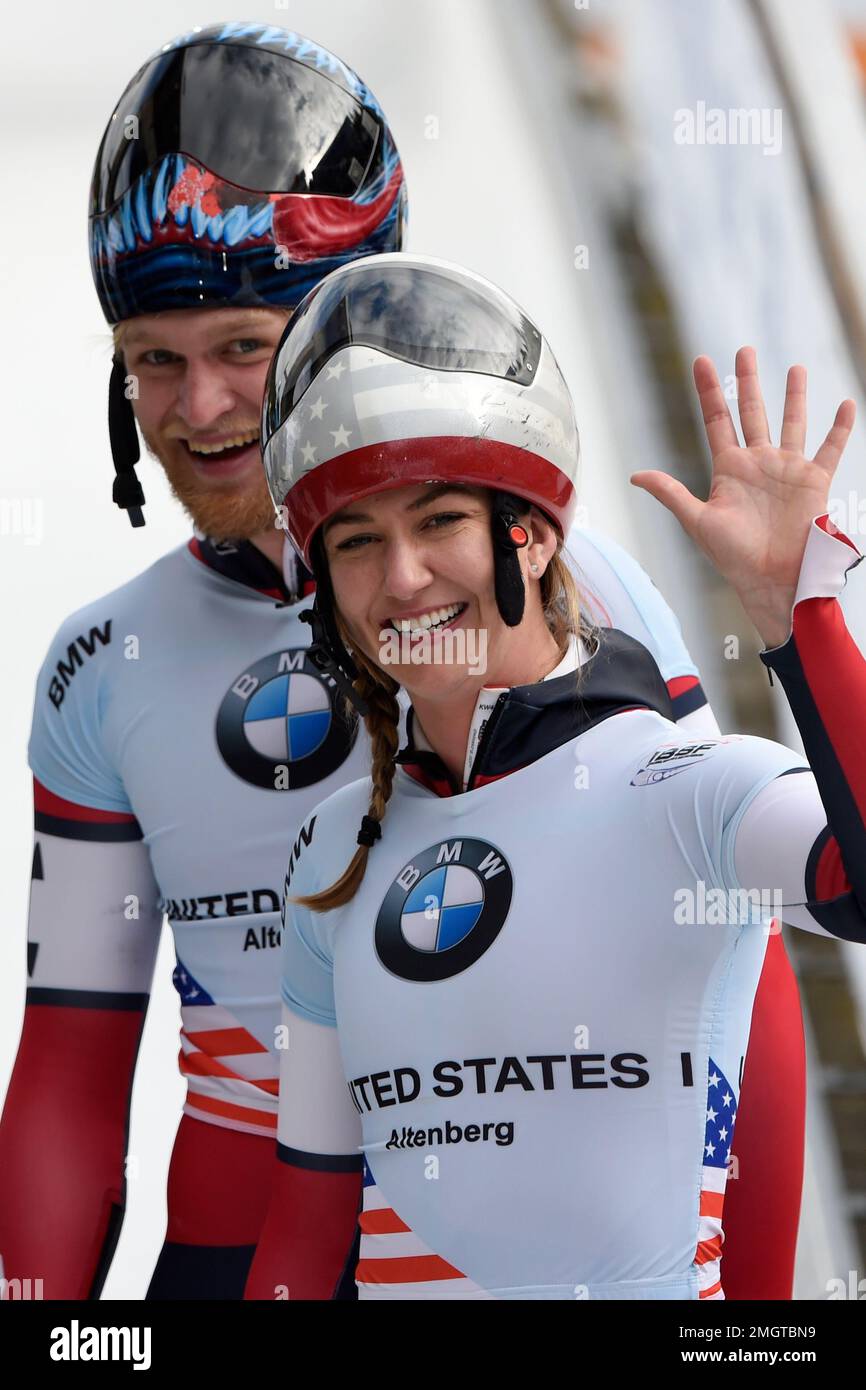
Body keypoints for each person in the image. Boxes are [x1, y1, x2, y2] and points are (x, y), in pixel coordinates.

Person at [0, 24, 797, 1302]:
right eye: (154, 359)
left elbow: (732, 991)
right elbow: (69, 1073)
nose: (199, 409)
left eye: (243, 352)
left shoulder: (575, 587)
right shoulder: (100, 665)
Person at [245, 254, 863, 1301]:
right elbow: (306, 1234)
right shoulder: (335, 850)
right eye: (357, 541)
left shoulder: (689, 791)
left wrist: (797, 622)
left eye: (438, 521)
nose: (401, 579)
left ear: (527, 540)